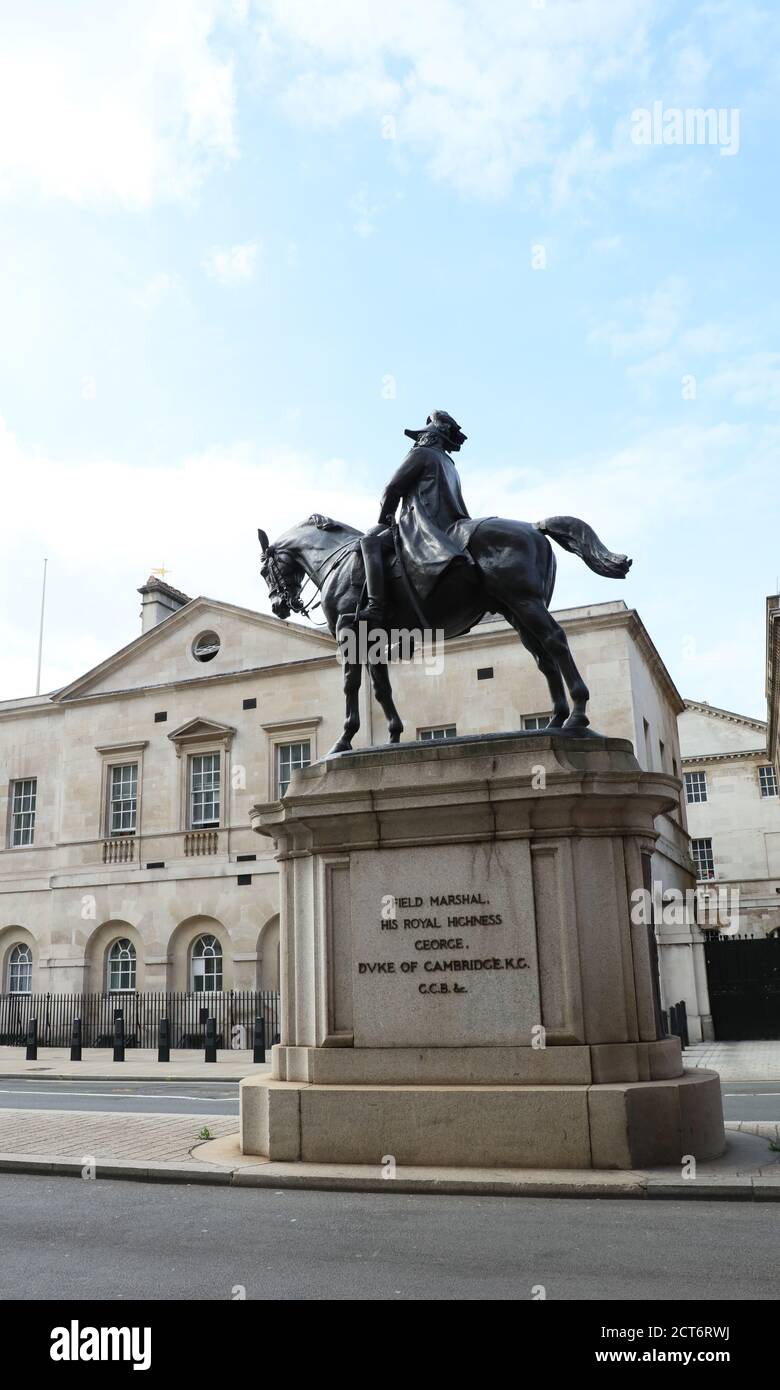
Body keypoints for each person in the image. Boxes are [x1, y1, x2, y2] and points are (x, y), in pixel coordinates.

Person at [358, 410, 476, 625]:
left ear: (429, 437)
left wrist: (384, 521)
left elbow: (392, 488)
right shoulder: (449, 464)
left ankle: (376, 606)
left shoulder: (421, 454)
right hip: (452, 524)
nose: (418, 440)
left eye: (421, 436)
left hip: (423, 523)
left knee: (370, 541)